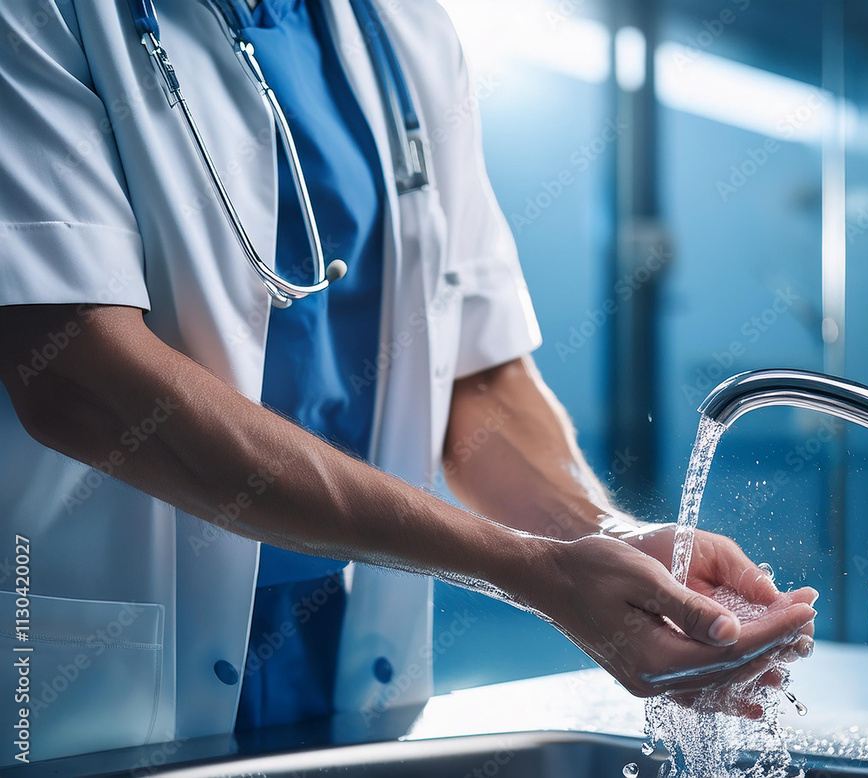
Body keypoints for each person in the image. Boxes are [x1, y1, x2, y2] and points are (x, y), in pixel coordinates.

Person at [0, 0, 816, 766]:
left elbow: (480, 378)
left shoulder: (405, 28)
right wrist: (527, 568)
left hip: (341, 645)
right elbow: (81, 374)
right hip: (107, 658)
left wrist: (597, 536)